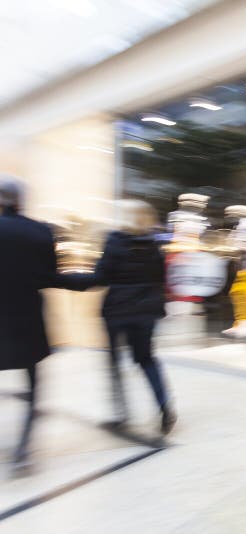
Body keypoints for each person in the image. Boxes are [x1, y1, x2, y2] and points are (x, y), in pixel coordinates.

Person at [0, 176, 85, 471]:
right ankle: (24, 448)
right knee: (34, 381)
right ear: (20, 200)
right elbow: (49, 276)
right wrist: (85, 281)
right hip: (27, 317)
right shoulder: (41, 232)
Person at [83, 200, 176, 434]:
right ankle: (165, 407)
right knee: (146, 359)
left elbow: (101, 277)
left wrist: (67, 280)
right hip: (146, 312)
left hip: (118, 311)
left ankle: (121, 415)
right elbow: (161, 279)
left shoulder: (114, 241)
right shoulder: (154, 246)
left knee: (114, 362)